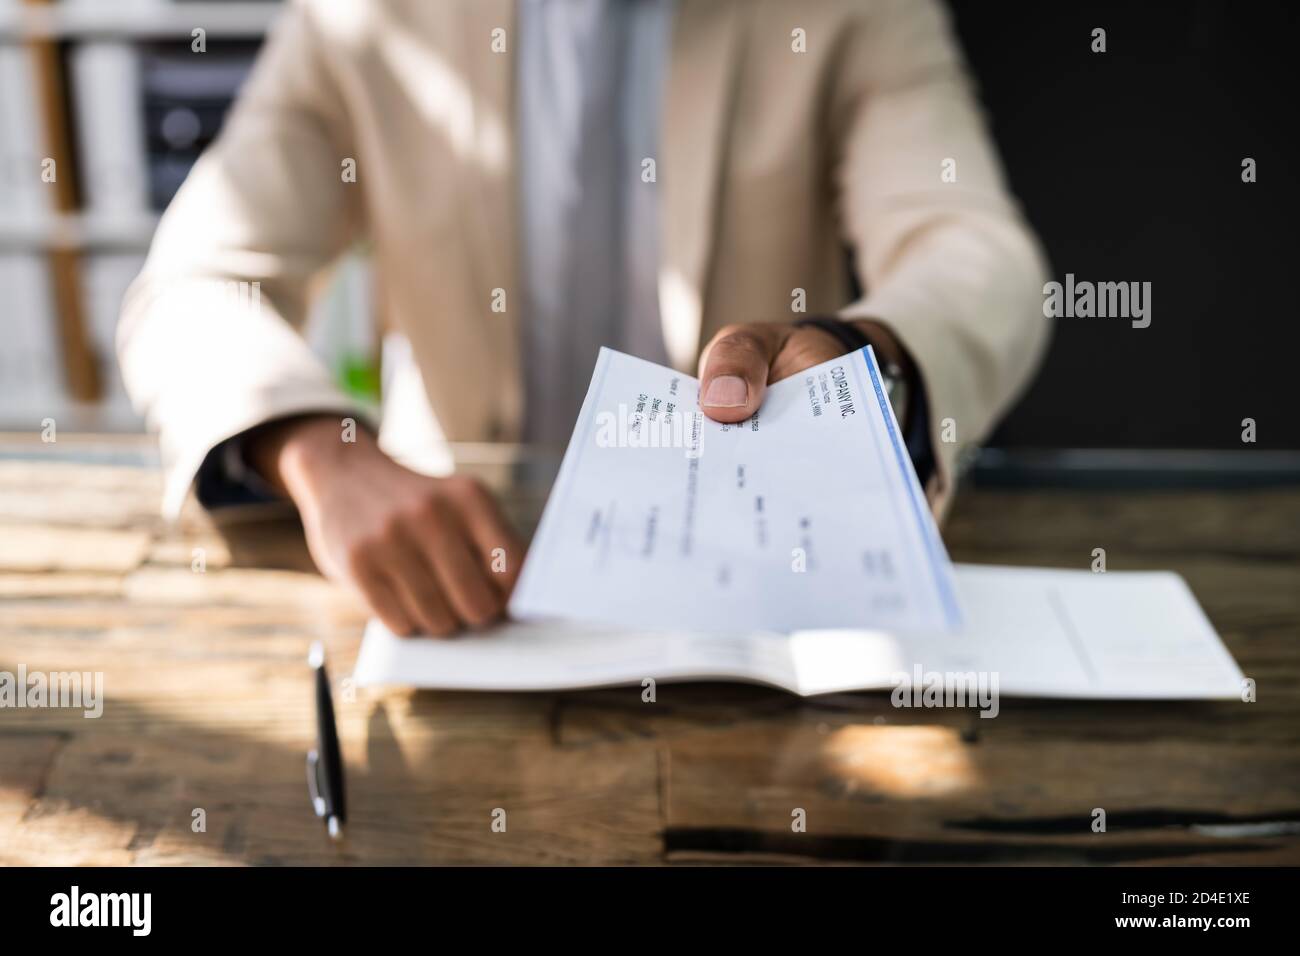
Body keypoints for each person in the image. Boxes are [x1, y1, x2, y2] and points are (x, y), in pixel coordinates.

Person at [117, 0, 1050, 638]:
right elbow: (194, 280)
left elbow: (976, 253)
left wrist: (869, 355)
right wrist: (314, 448)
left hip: (758, 583)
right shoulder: (363, 19)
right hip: (458, 574)